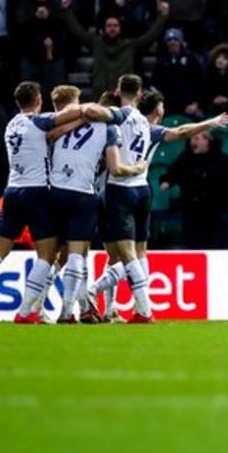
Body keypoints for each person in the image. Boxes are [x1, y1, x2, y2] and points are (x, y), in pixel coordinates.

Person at [96, 79, 228, 323]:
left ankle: (105, 297)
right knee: (137, 254)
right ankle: (120, 309)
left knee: (121, 255)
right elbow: (181, 132)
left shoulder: (116, 122)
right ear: (157, 110)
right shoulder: (147, 128)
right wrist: (209, 122)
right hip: (142, 191)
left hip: (115, 191)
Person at [0, 82, 91, 324]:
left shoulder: (11, 125)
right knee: (47, 253)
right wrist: (91, 112)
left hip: (11, 191)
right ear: (38, 100)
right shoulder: (40, 121)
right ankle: (24, 311)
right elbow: (71, 113)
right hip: (36, 193)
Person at [47, 85, 147, 323]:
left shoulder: (55, 127)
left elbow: (51, 137)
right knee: (87, 254)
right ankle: (77, 307)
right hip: (96, 195)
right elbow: (116, 168)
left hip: (57, 191)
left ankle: (81, 307)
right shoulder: (110, 128)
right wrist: (138, 167)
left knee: (64, 255)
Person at [60, 0, 169, 95]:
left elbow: (150, 36)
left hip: (124, 95)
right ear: (104, 28)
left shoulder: (130, 45)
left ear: (120, 28)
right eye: (109, 25)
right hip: (101, 96)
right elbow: (77, 31)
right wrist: (66, 11)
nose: (112, 28)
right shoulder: (96, 42)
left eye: (115, 25)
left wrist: (163, 16)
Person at [160, 131, 228, 248]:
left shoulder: (222, 160)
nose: (193, 142)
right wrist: (167, 182)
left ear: (207, 141)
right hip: (192, 212)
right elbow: (173, 173)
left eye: (197, 138)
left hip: (217, 213)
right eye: (192, 139)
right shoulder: (185, 159)